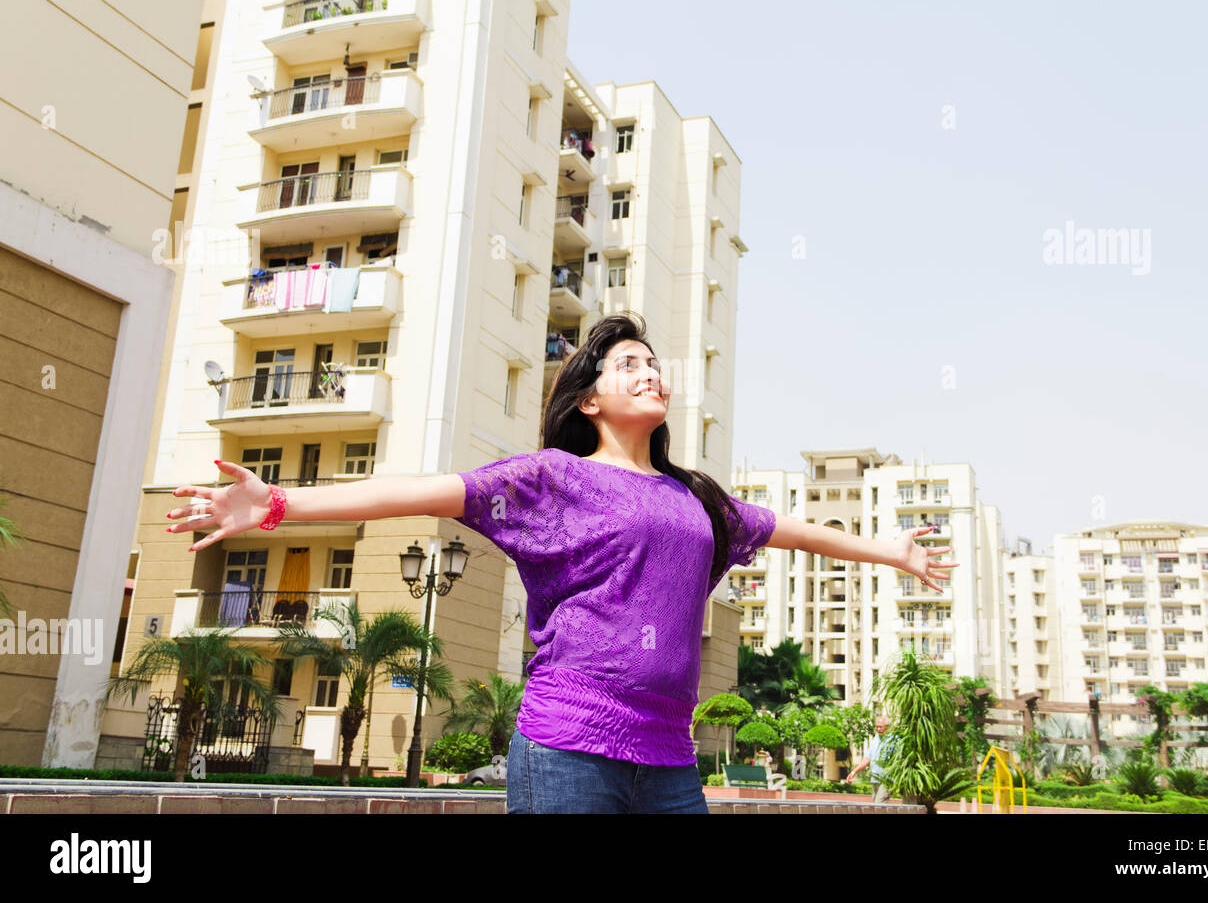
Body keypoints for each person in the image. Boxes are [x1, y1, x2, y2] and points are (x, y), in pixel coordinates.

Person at [164, 310, 958, 813]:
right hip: (569, 748)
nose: (650, 372)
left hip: (670, 758)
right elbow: (420, 490)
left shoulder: (697, 497)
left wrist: (890, 551)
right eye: (629, 364)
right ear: (589, 399)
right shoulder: (553, 479)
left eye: (654, 364)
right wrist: (278, 505)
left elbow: (798, 532)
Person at [846, 714, 896, 803]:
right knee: (876, 805)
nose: (878, 729)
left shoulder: (894, 740)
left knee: (879, 804)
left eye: (880, 727)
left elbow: (899, 760)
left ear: (887, 727)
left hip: (887, 780)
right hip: (875, 779)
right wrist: (854, 772)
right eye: (877, 727)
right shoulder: (875, 739)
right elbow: (867, 759)